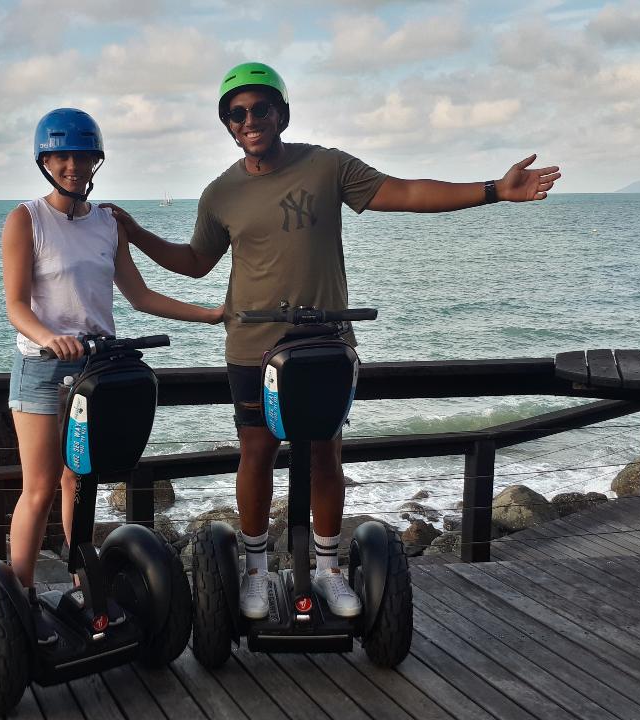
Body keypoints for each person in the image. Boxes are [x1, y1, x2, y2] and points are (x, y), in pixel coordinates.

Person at [105, 62, 561, 619]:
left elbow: (404, 191)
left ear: (282, 113)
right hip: (252, 345)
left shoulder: (326, 166)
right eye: (236, 113)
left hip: (324, 343)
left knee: (326, 453)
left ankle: (325, 568)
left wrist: (492, 190)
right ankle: (254, 569)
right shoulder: (220, 192)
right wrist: (136, 233)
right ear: (226, 123)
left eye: (261, 109)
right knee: (255, 453)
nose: (249, 120)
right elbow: (196, 263)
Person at [3, 108, 222, 589]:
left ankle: (83, 579)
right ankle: (18, 595)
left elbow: (140, 296)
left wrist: (208, 314)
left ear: (95, 162)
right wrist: (48, 337)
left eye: (83, 157)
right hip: (41, 368)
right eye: (61, 156)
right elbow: (17, 306)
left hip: (94, 371)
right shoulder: (26, 219)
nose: (73, 167)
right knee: (38, 488)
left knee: (77, 481)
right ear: (44, 160)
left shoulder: (108, 223)